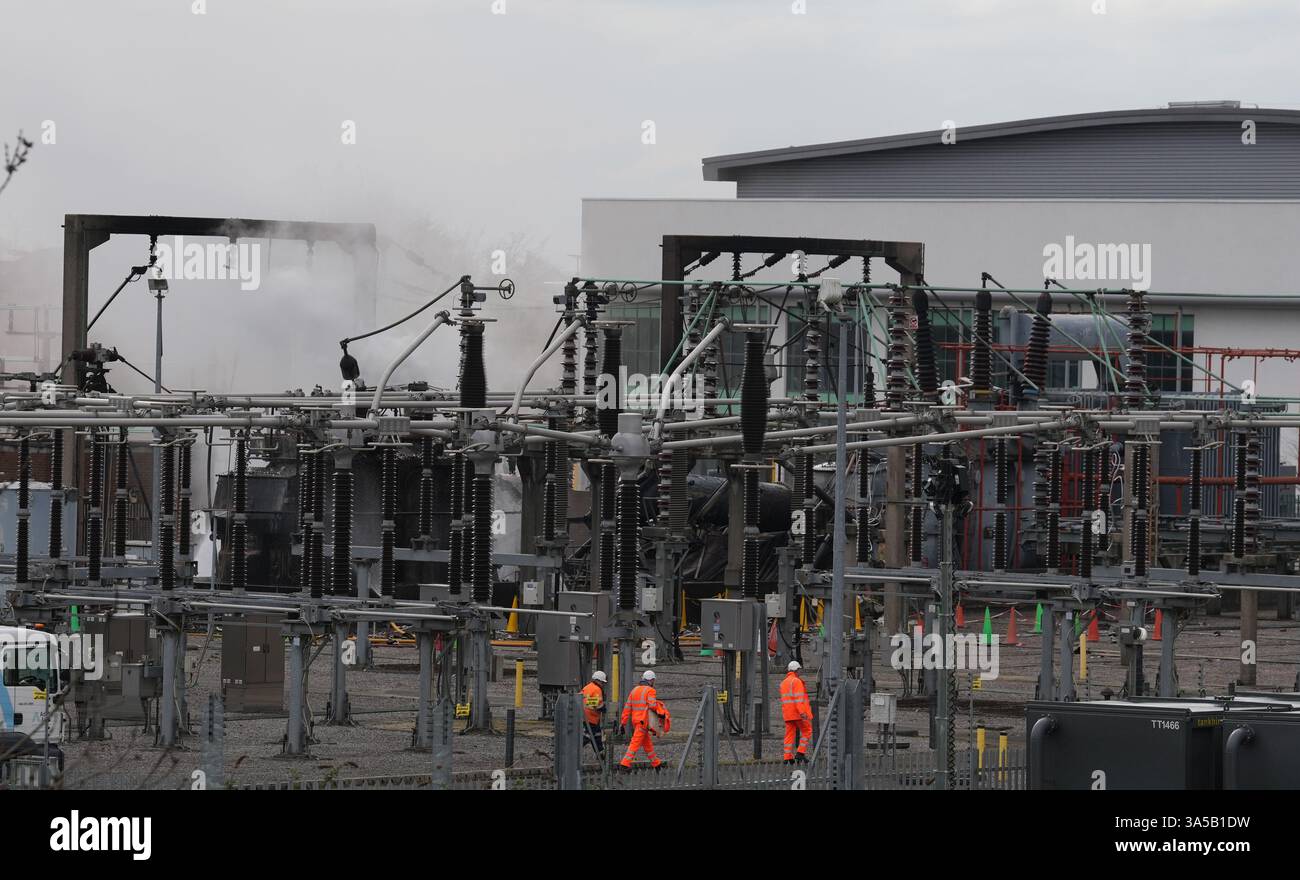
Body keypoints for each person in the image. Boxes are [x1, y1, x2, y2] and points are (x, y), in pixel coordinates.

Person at [619, 670, 670, 770]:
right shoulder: (650, 690)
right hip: (644, 721)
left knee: (648, 745)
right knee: (635, 743)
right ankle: (624, 764)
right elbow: (652, 705)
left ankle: (657, 765)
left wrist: (623, 723)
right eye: (654, 681)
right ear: (651, 680)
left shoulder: (634, 690)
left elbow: (627, 708)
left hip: (636, 721)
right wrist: (661, 713)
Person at [780, 660, 813, 764]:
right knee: (807, 731)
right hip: (798, 713)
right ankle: (800, 753)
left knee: (789, 734)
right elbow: (799, 699)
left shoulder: (783, 683)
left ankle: (787, 757)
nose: (800, 672)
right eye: (799, 670)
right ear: (796, 670)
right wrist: (802, 712)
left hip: (788, 714)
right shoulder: (796, 681)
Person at [581, 671, 607, 759]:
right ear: (598, 680)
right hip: (591, 717)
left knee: (597, 735)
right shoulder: (597, 689)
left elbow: (584, 700)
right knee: (588, 736)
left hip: (584, 715)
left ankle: (601, 753)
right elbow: (596, 704)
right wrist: (603, 707)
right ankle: (572, 751)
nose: (603, 684)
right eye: (602, 682)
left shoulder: (587, 687)